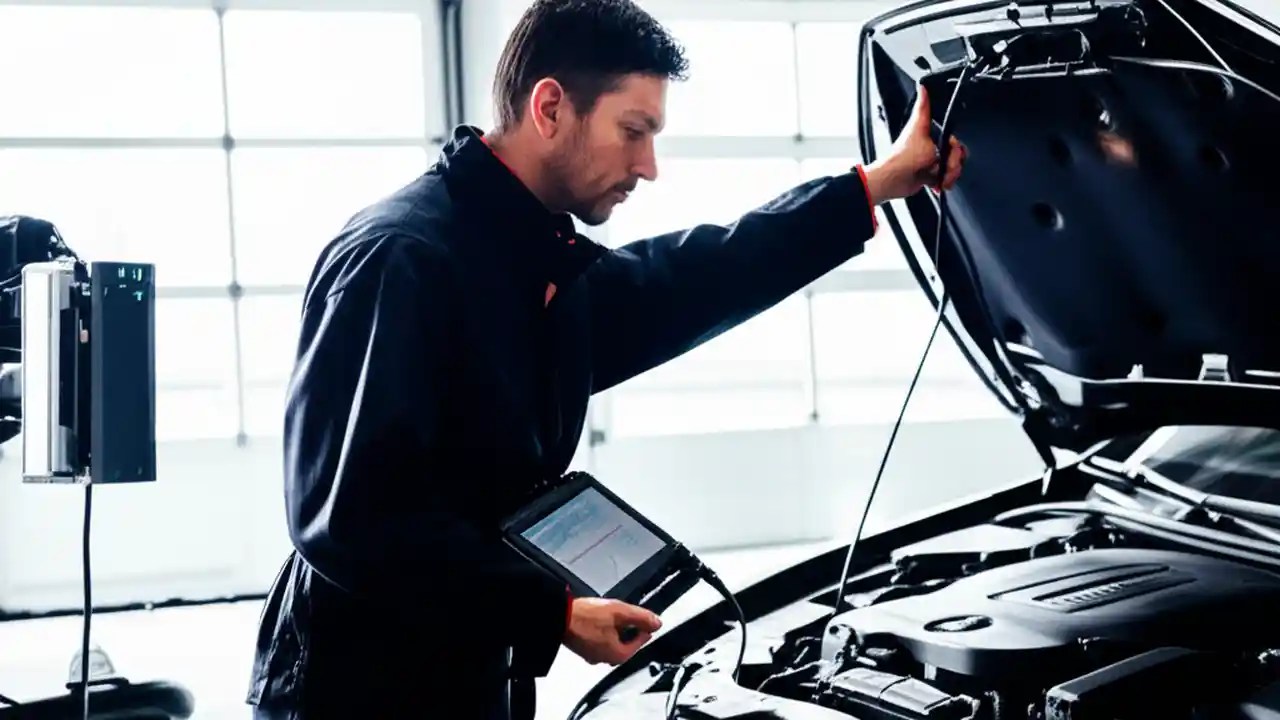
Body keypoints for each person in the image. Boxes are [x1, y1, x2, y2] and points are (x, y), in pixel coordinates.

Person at [245, 0, 966, 718]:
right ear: (550, 109)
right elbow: (349, 520)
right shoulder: (399, 260)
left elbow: (701, 273)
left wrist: (874, 185)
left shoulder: (537, 264)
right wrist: (552, 612)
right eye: (633, 131)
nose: (648, 167)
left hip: (465, 670)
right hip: (353, 688)